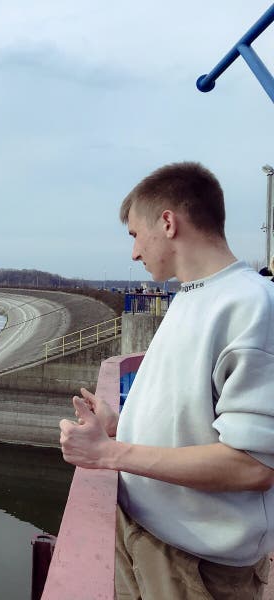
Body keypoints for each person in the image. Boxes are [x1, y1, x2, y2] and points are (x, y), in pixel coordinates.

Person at [59, 162, 274, 599]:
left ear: (168, 223)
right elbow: (196, 415)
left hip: (195, 566)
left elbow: (253, 465)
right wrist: (121, 425)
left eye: (135, 235)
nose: (134, 253)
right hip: (148, 537)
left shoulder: (252, 305)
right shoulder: (191, 297)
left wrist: (109, 453)